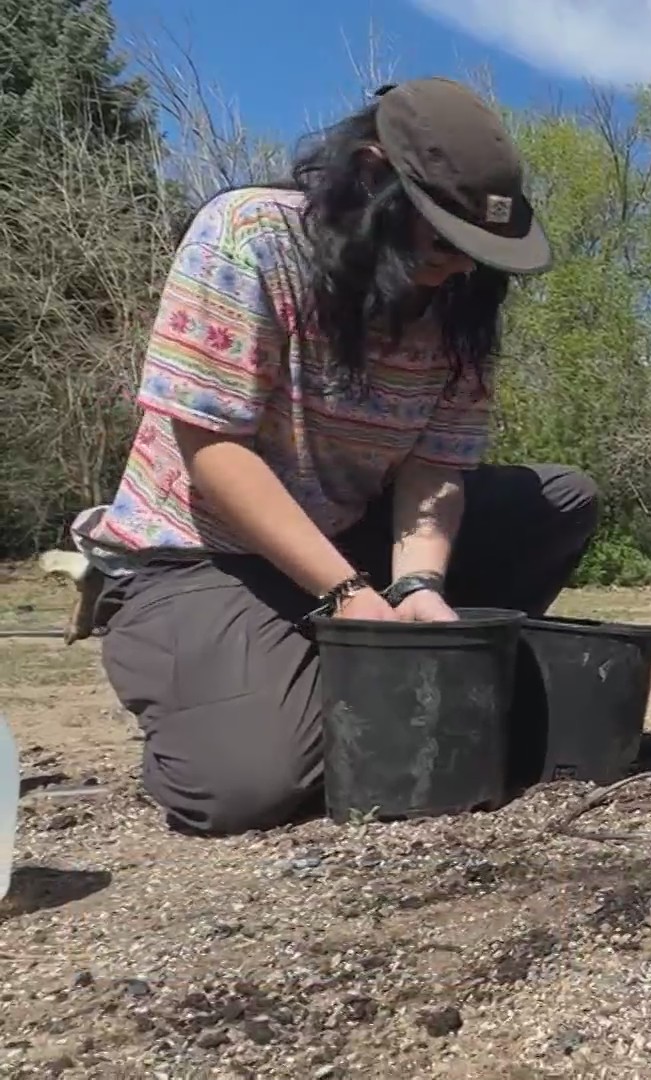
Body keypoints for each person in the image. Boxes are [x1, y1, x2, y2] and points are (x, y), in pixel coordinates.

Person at [67, 78, 599, 836]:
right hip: (203, 549)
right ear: (375, 179)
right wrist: (347, 594)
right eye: (446, 242)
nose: (463, 267)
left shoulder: (460, 307)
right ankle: (200, 652)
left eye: (481, 253)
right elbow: (213, 450)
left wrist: (417, 581)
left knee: (561, 499)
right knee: (248, 786)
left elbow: (436, 466)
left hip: (352, 530)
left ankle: (378, 658)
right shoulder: (248, 237)